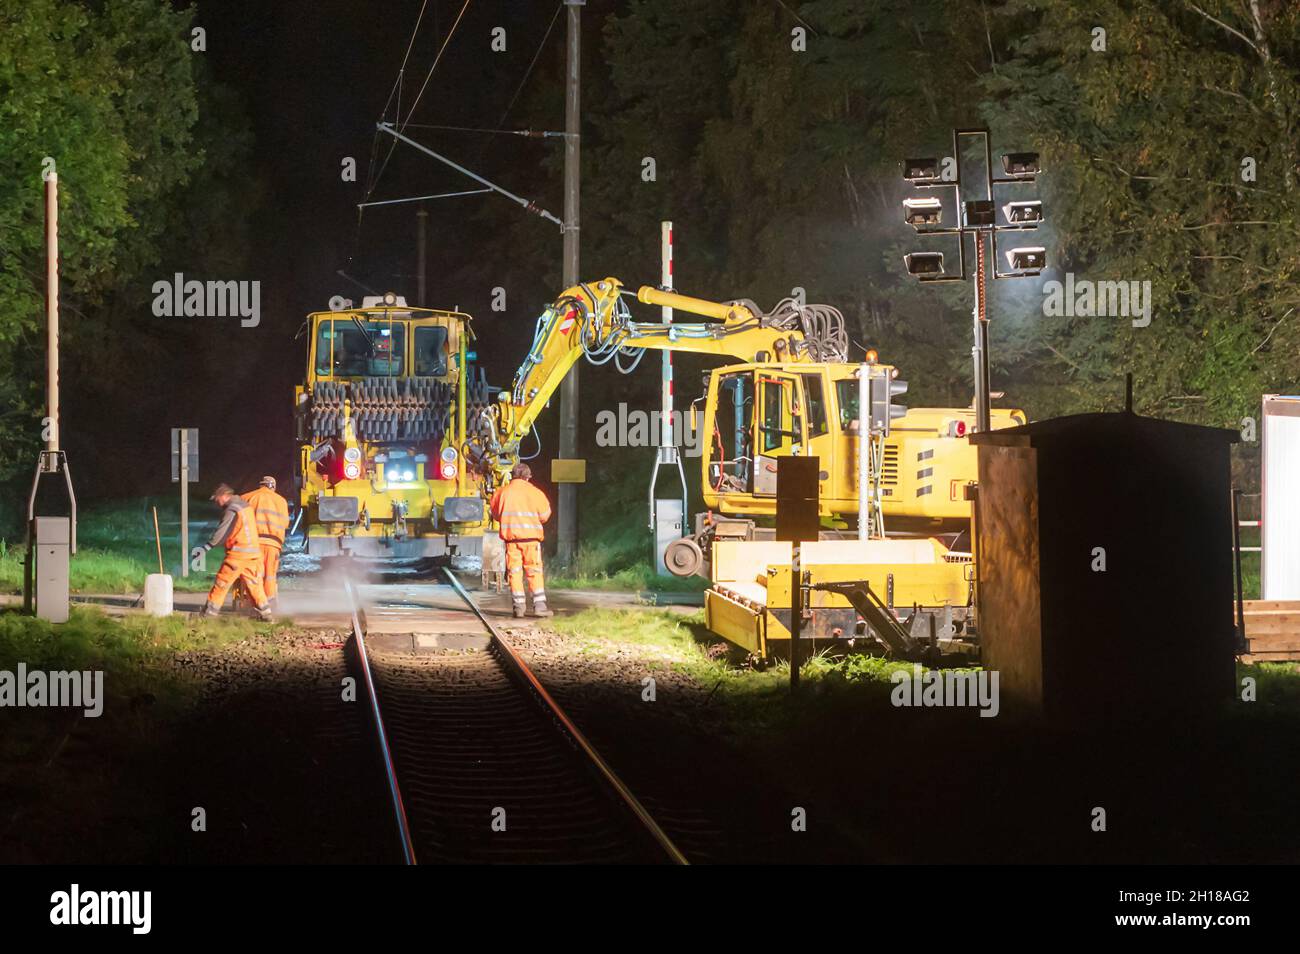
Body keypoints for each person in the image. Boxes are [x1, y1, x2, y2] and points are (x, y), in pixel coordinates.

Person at [193, 484, 273, 621]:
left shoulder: (232, 508)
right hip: (252, 554)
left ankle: (208, 616)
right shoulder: (245, 506)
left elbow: (222, 531)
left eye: (217, 499)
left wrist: (206, 547)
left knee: (221, 583)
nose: (216, 503)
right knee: (255, 585)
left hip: (238, 555)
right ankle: (266, 615)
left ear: (224, 496)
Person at [489, 463, 553, 618]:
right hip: (531, 540)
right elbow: (545, 515)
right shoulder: (536, 493)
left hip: (512, 541)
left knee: (514, 572)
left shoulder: (501, 493)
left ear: (512, 475)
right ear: (528, 477)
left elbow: (495, 514)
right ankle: (539, 606)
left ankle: (519, 607)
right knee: (534, 571)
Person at [242, 476, 290, 608]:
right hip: (273, 544)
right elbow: (285, 523)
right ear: (273, 487)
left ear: (260, 485)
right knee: (269, 575)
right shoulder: (281, 501)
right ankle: (268, 604)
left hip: (251, 543)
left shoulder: (246, 498)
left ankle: (251, 603)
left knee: (253, 573)